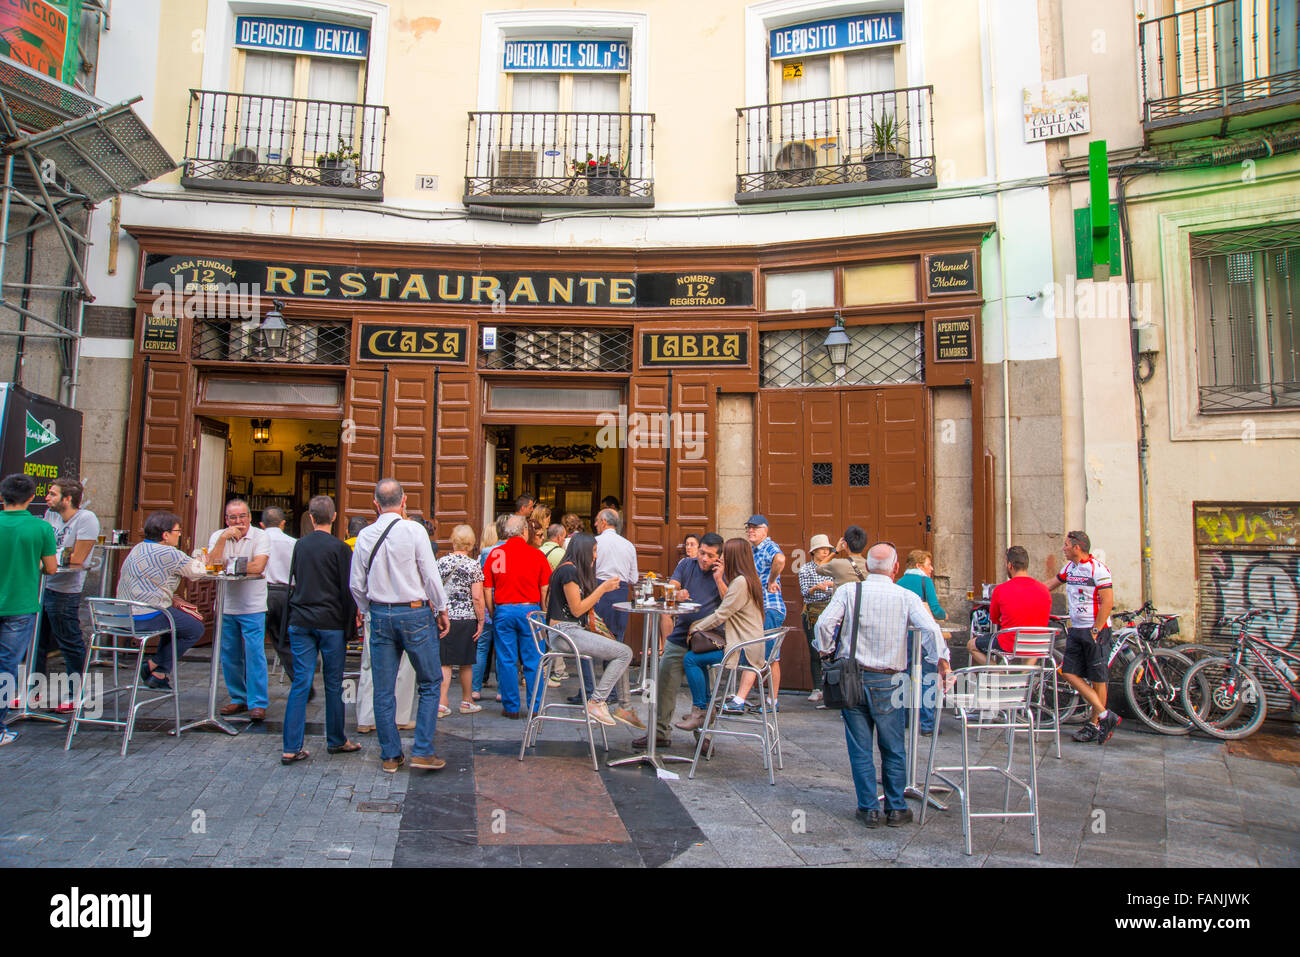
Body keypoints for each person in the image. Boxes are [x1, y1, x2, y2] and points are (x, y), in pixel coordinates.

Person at [815, 543, 952, 829]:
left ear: (867, 567)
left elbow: (824, 624)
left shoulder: (850, 591)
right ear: (895, 568)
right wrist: (940, 660)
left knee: (860, 747)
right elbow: (930, 628)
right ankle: (896, 807)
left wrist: (826, 651)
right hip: (890, 679)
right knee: (893, 747)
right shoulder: (906, 596)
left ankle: (868, 809)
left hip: (853, 677)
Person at [350, 478, 451, 773]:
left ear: (375, 504)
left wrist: (369, 609)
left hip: (380, 614)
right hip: (415, 613)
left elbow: (356, 584)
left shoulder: (366, 535)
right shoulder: (414, 530)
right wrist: (441, 607)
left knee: (383, 689)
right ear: (404, 501)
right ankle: (422, 750)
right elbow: (430, 575)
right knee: (431, 682)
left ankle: (391, 755)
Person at [280, 495, 361, 764]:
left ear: (311, 518)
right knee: (334, 683)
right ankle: (336, 739)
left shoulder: (300, 546)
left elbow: (295, 579)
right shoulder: (340, 549)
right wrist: (351, 626)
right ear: (334, 517)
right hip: (330, 622)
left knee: (301, 682)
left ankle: (291, 745)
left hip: (301, 619)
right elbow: (346, 590)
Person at [546, 532, 635, 727]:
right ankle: (596, 701)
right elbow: (577, 609)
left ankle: (626, 708)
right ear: (584, 551)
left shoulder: (571, 570)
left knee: (620, 650)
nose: (595, 556)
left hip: (570, 631)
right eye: (594, 551)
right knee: (624, 652)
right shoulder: (568, 572)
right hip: (564, 633)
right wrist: (602, 589)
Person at [116, 511, 207, 691]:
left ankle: (160, 674)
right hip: (145, 615)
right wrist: (203, 558)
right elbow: (198, 571)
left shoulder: (138, 548)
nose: (180, 534)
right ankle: (153, 665)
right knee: (195, 628)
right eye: (177, 531)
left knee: (175, 624)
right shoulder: (169, 552)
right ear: (165, 535)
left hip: (121, 616)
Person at [0, 474, 57, 743]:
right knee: (7, 665)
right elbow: (52, 568)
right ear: (32, 498)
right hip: (21, 604)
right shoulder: (41, 528)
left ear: (2, 497)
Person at [1048, 530, 1119, 745]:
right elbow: (1051, 584)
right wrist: (1025, 590)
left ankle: (1095, 723)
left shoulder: (1098, 570)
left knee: (1098, 678)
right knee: (1068, 672)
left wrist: (1096, 629)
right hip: (1076, 628)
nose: (1064, 548)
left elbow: (1107, 602)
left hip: (1095, 630)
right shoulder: (1070, 568)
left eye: (1067, 544)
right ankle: (1106, 715)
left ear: (1077, 547)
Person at [36, 476, 99, 710]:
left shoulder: (86, 519)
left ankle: (77, 694)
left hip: (66, 589)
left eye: (52, 494)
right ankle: (34, 692)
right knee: (37, 642)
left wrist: (52, 556)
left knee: (69, 642)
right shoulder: (50, 515)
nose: (47, 497)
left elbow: (77, 559)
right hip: (44, 585)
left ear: (68, 498)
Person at [481, 514, 551, 719]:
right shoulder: (537, 555)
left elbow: (487, 588)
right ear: (524, 532)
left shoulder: (495, 554)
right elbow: (544, 587)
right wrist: (543, 612)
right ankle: (535, 706)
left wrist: (493, 611)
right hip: (531, 610)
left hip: (504, 609)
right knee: (534, 659)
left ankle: (511, 707)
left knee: (506, 659)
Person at [207, 498, 271, 721]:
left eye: (242, 516)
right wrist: (224, 540)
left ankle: (258, 702)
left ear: (250, 517)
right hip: (226, 605)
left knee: (255, 655)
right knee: (230, 655)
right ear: (226, 519)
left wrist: (229, 565)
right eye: (233, 517)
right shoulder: (218, 536)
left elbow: (259, 566)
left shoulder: (261, 537)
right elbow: (211, 563)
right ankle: (238, 698)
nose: (238, 521)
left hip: (252, 605)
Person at [585, 507, 640, 725]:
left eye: (597, 520)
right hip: (620, 592)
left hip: (598, 591)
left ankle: (590, 690)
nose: (595, 523)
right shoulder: (628, 545)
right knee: (616, 642)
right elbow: (634, 577)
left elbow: (589, 569)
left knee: (590, 641)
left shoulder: (595, 543)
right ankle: (613, 693)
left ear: (604, 522)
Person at [733, 514, 785, 711]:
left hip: (769, 608)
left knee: (766, 655)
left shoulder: (768, 547)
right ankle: (771, 701)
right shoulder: (753, 550)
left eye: (755, 527)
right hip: (758, 610)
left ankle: (740, 700)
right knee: (767, 655)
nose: (751, 531)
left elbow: (780, 559)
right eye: (748, 527)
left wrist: (772, 580)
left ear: (766, 530)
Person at [968, 546, 1051, 666]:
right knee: (1032, 649)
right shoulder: (1044, 590)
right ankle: (1024, 681)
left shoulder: (1001, 590)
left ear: (1010, 565)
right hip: (1038, 644)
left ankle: (1000, 674)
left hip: (1009, 643)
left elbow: (995, 619)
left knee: (971, 645)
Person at [436, 524, 486, 716]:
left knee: (445, 661)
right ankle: (466, 701)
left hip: (445, 615)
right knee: (466, 661)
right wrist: (481, 621)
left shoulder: (441, 562)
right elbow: (477, 597)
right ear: (471, 543)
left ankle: (441, 702)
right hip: (466, 617)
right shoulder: (473, 565)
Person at [898, 549, 946, 735]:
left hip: (904, 635)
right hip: (923, 635)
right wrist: (944, 614)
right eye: (928, 564)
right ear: (918, 566)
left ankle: (904, 719)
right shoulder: (925, 582)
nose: (931, 568)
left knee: (905, 674)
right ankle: (927, 724)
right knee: (927, 675)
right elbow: (935, 609)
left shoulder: (899, 582)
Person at [798, 534, 837, 706]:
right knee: (815, 650)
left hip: (831, 610)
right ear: (813, 552)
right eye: (821, 549)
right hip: (813, 612)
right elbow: (805, 592)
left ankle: (833, 689)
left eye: (827, 549)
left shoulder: (833, 568)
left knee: (833, 650)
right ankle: (817, 687)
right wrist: (816, 587)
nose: (825, 552)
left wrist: (831, 587)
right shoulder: (806, 569)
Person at [260, 506, 297, 686]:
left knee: (254, 641)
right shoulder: (292, 543)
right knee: (284, 640)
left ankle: (252, 688)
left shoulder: (257, 541)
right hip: (285, 593)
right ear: (283, 523)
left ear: (261, 525)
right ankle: (299, 681)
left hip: (260, 592)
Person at [470, 521, 499, 702]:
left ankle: (475, 689)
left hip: (484, 607)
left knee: (481, 648)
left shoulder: (481, 556)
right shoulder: (501, 553)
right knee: (502, 649)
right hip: (501, 603)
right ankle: (501, 690)